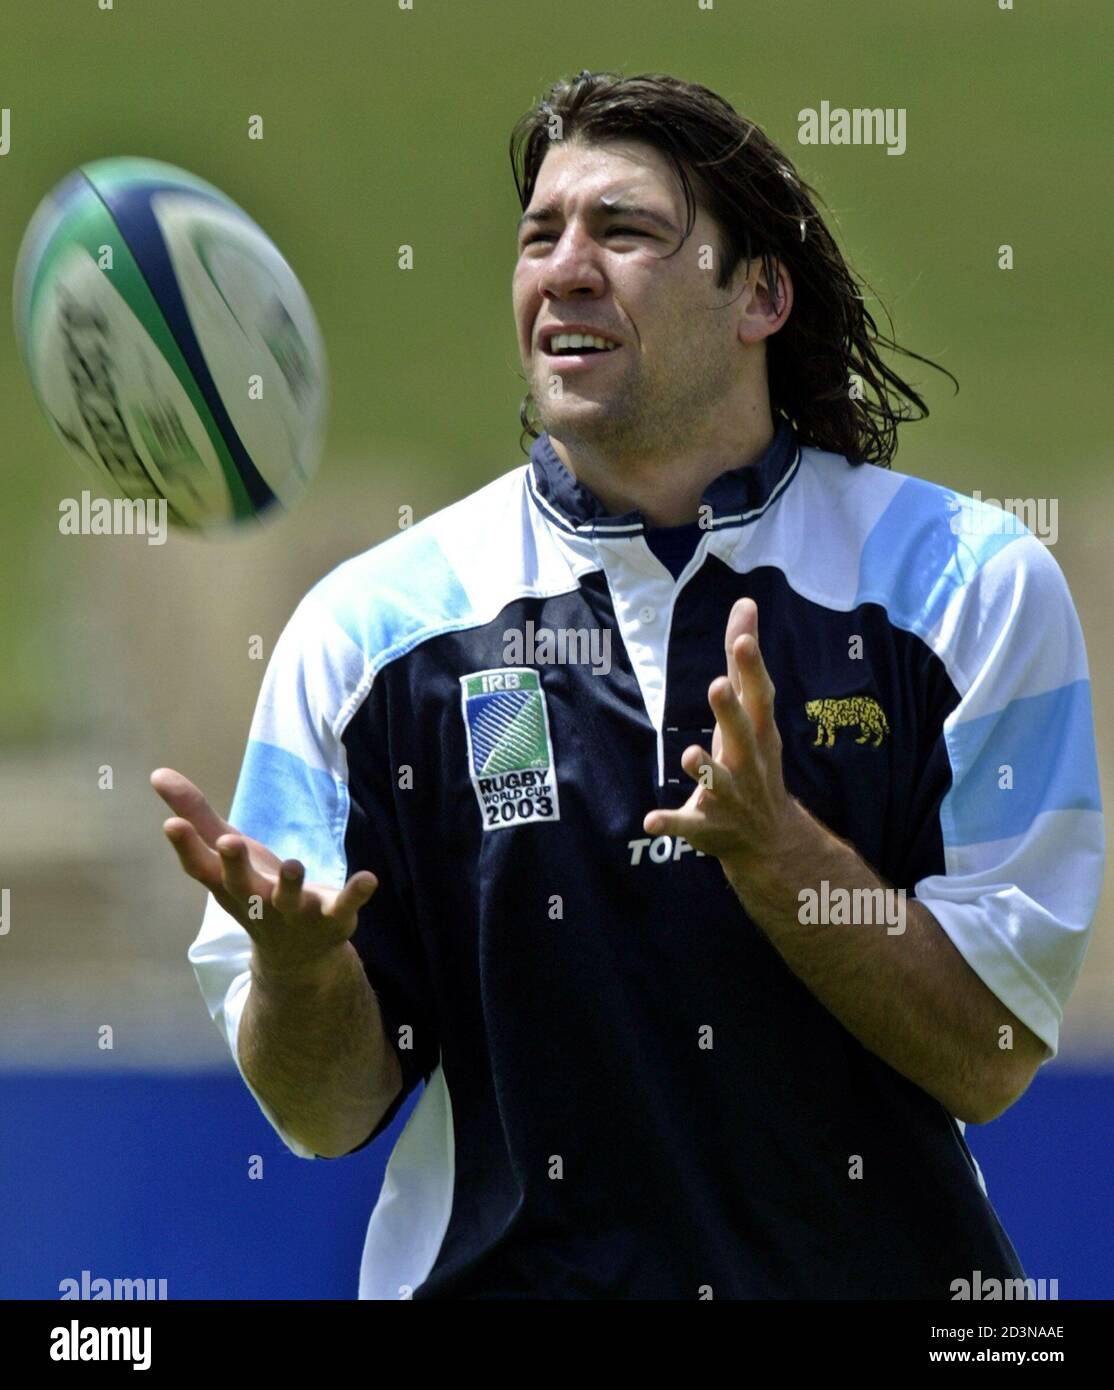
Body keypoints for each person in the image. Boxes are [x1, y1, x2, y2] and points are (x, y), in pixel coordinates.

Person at [153, 71, 1103, 1299]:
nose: (566, 267)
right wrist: (295, 974)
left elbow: (989, 1053)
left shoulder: (965, 587)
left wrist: (779, 859)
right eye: (539, 235)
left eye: (626, 231)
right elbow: (326, 1114)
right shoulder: (373, 631)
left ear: (761, 293)